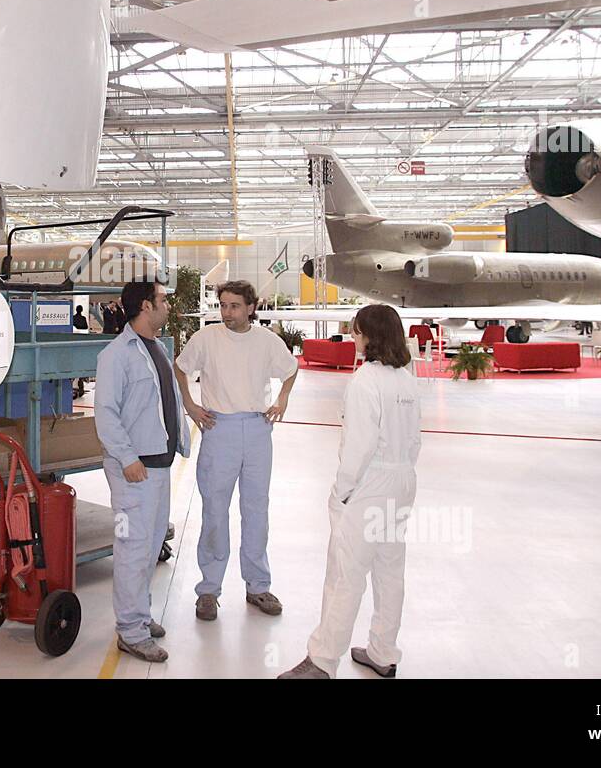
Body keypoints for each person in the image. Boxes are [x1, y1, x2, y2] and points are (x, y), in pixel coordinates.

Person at [279, 303, 421, 679]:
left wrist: (342, 493)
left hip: (369, 486)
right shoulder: (407, 377)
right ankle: (384, 651)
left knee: (345, 574)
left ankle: (322, 661)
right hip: (403, 482)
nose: (353, 338)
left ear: (371, 336)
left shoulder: (366, 381)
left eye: (357, 331)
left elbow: (359, 447)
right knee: (390, 570)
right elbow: (415, 440)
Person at [176, 280, 298, 622]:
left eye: (234, 306)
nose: (226, 313)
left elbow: (290, 370)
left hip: (258, 429)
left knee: (256, 509)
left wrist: (282, 398)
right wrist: (191, 405)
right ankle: (208, 590)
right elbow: (180, 367)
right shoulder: (206, 338)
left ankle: (257, 585)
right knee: (215, 511)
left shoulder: (267, 341)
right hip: (219, 429)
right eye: (223, 305)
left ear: (250, 308)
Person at [94, 279, 191, 663]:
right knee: (133, 550)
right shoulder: (116, 355)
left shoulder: (156, 349)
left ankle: (140, 614)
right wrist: (127, 458)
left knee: (150, 548)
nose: (168, 305)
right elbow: (105, 413)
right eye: (163, 299)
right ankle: (131, 632)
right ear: (146, 307)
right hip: (134, 469)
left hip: (158, 465)